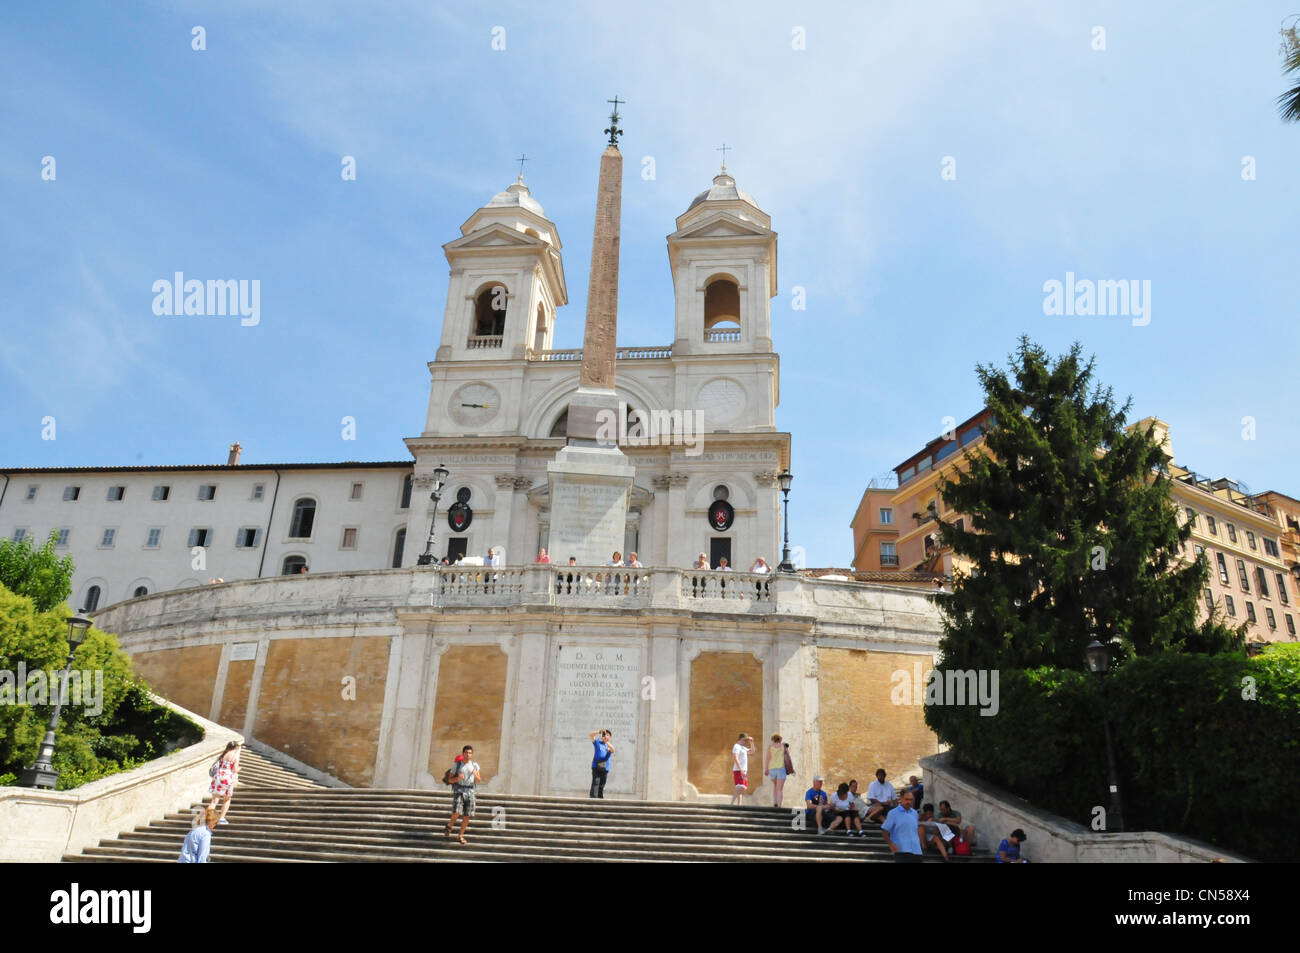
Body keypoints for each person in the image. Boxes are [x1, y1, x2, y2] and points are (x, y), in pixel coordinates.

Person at [444, 745, 482, 845]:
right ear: (463, 753)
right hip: (459, 790)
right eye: (466, 752)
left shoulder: (475, 765)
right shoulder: (456, 765)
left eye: (470, 753)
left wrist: (475, 773)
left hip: (470, 791)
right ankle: (450, 826)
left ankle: (460, 835)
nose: (468, 754)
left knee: (467, 815)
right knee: (456, 812)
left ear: (472, 754)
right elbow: (450, 780)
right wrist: (458, 779)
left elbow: (478, 781)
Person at [880, 790, 924, 862]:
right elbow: (884, 831)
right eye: (906, 799)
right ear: (901, 798)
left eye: (911, 800)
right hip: (901, 850)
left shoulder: (915, 813)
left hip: (916, 850)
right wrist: (891, 844)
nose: (909, 802)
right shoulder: (893, 813)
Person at [208, 741, 240, 825]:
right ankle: (221, 818)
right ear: (236, 748)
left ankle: (208, 818)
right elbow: (234, 770)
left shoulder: (223, 754)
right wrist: (239, 769)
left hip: (218, 775)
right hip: (227, 777)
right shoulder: (235, 755)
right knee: (227, 799)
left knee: (214, 800)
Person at [730, 732, 754, 805]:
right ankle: (732, 803)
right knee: (742, 786)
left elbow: (752, 751)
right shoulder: (736, 746)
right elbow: (736, 758)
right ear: (741, 739)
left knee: (740, 787)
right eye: (744, 740)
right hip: (739, 770)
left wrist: (752, 743)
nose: (745, 742)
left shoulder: (743, 747)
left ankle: (739, 805)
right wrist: (741, 770)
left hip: (743, 770)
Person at [589, 729, 614, 798]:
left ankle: (600, 798)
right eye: (605, 735)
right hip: (596, 766)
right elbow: (591, 735)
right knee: (596, 782)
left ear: (610, 737)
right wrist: (599, 732)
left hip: (605, 767)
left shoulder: (608, 746)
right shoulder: (598, 743)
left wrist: (606, 742)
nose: (606, 736)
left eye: (608, 735)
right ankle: (593, 798)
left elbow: (612, 749)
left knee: (602, 784)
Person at [764, 733, 787, 807]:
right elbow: (787, 758)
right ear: (780, 739)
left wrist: (766, 769)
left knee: (775, 786)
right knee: (779, 789)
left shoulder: (770, 747)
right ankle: (779, 805)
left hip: (772, 769)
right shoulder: (783, 747)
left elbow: (767, 758)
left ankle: (775, 802)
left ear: (773, 740)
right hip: (781, 769)